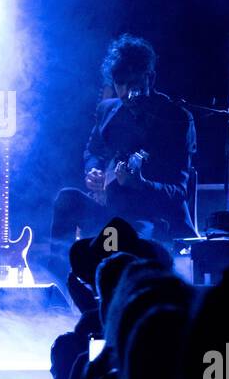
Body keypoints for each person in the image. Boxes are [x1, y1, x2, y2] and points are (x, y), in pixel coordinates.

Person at [50, 34, 197, 263]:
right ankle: (58, 282)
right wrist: (94, 171)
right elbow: (93, 151)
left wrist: (141, 184)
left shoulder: (176, 119)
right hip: (110, 210)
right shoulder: (107, 111)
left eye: (133, 83)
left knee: (121, 243)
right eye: (120, 84)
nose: (126, 92)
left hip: (150, 218)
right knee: (67, 198)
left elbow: (179, 192)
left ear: (151, 78)